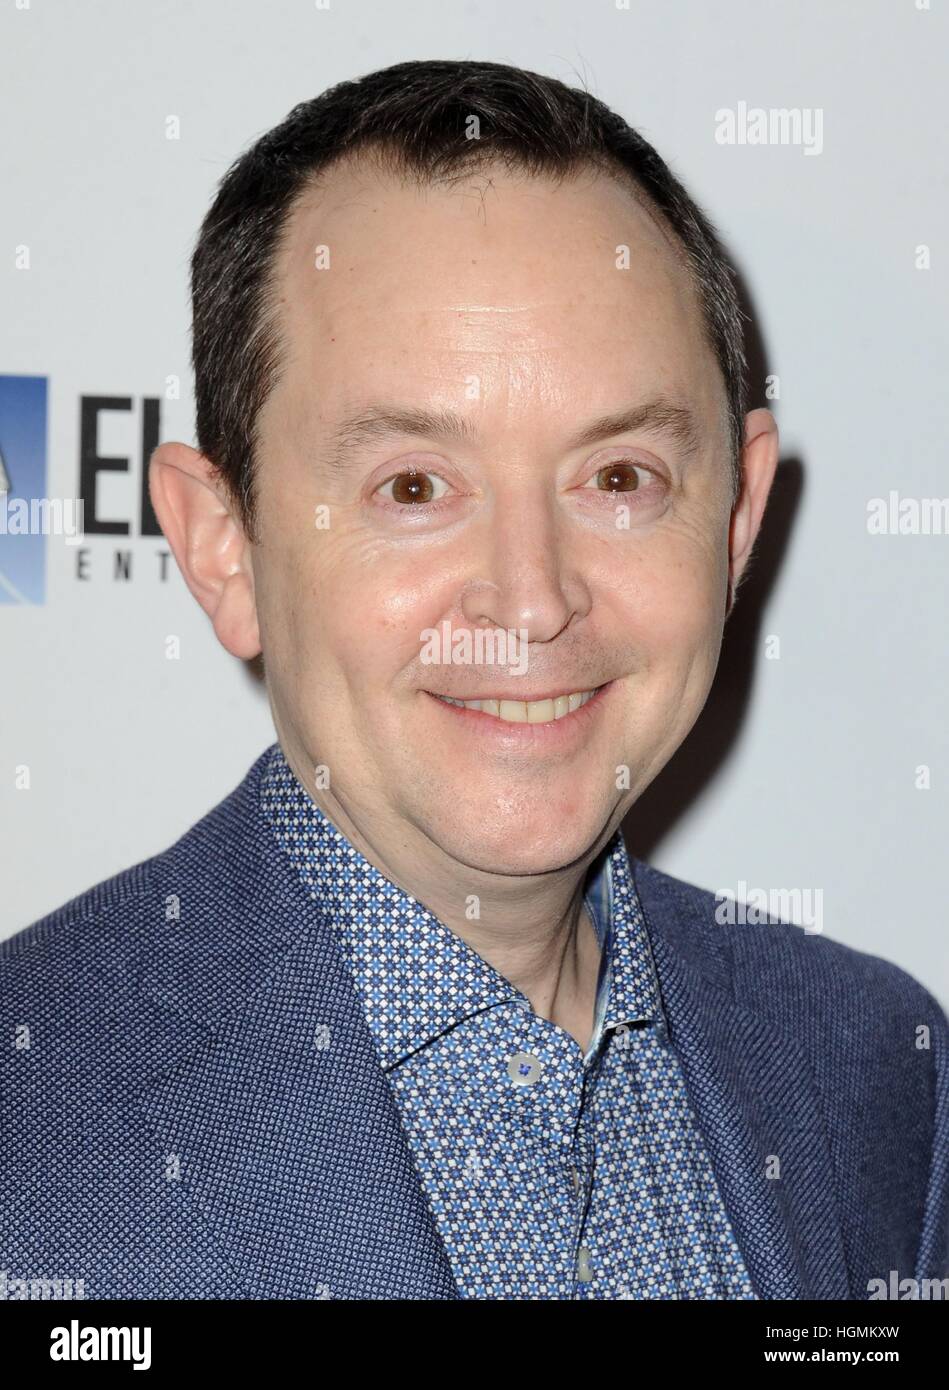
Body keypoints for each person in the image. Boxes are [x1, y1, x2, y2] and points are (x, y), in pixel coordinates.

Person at [2, 59, 946, 1302]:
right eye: (412, 487)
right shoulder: (30, 1124)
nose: (533, 596)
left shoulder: (878, 1071)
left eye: (618, 478)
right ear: (222, 544)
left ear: (735, 517)